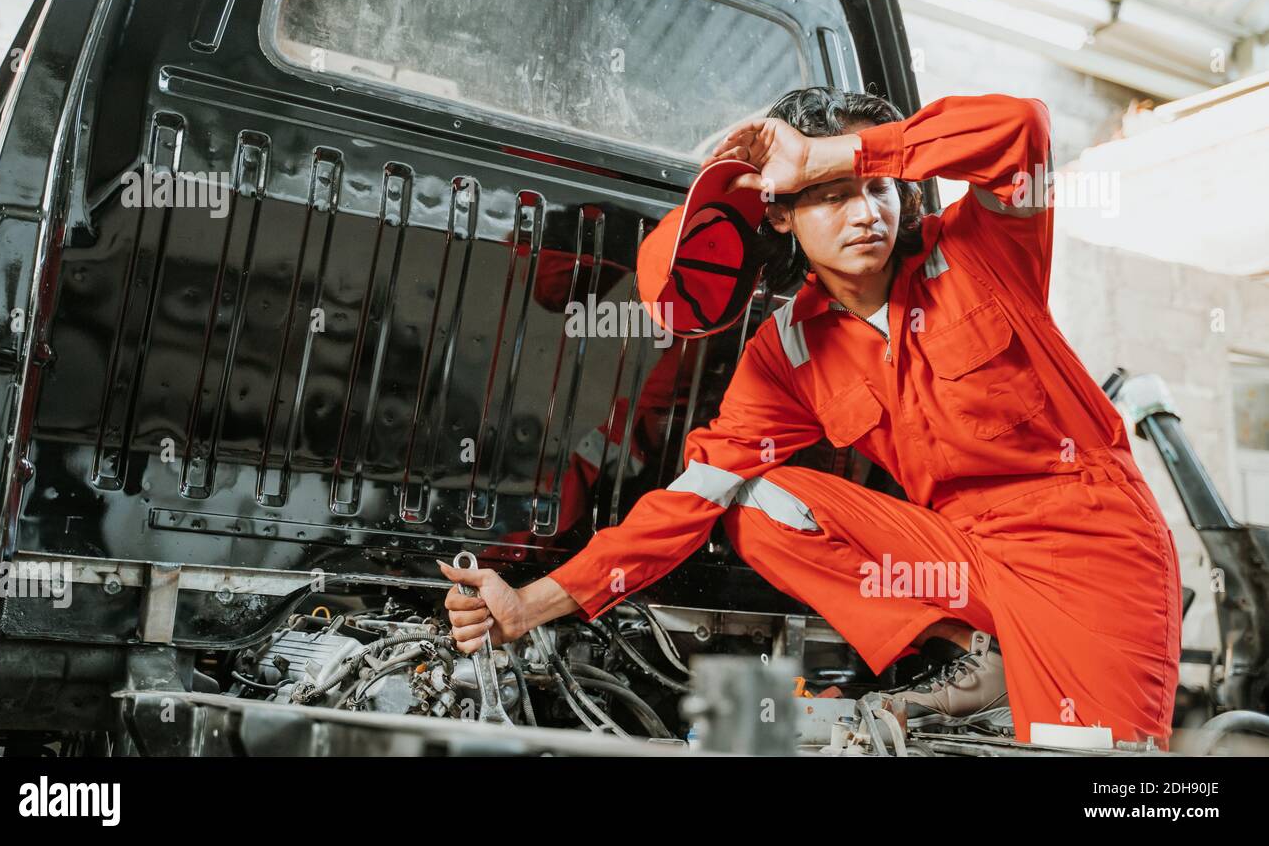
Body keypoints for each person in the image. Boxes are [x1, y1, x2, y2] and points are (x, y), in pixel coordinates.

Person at [439, 88, 1183, 747]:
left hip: (1091, 548)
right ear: (785, 215)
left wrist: (834, 154)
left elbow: (1023, 128)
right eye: (831, 194)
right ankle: (975, 649)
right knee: (756, 502)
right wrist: (528, 604)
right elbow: (692, 497)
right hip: (961, 554)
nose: (866, 213)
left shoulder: (982, 250)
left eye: (879, 188)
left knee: (1096, 769)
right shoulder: (789, 349)